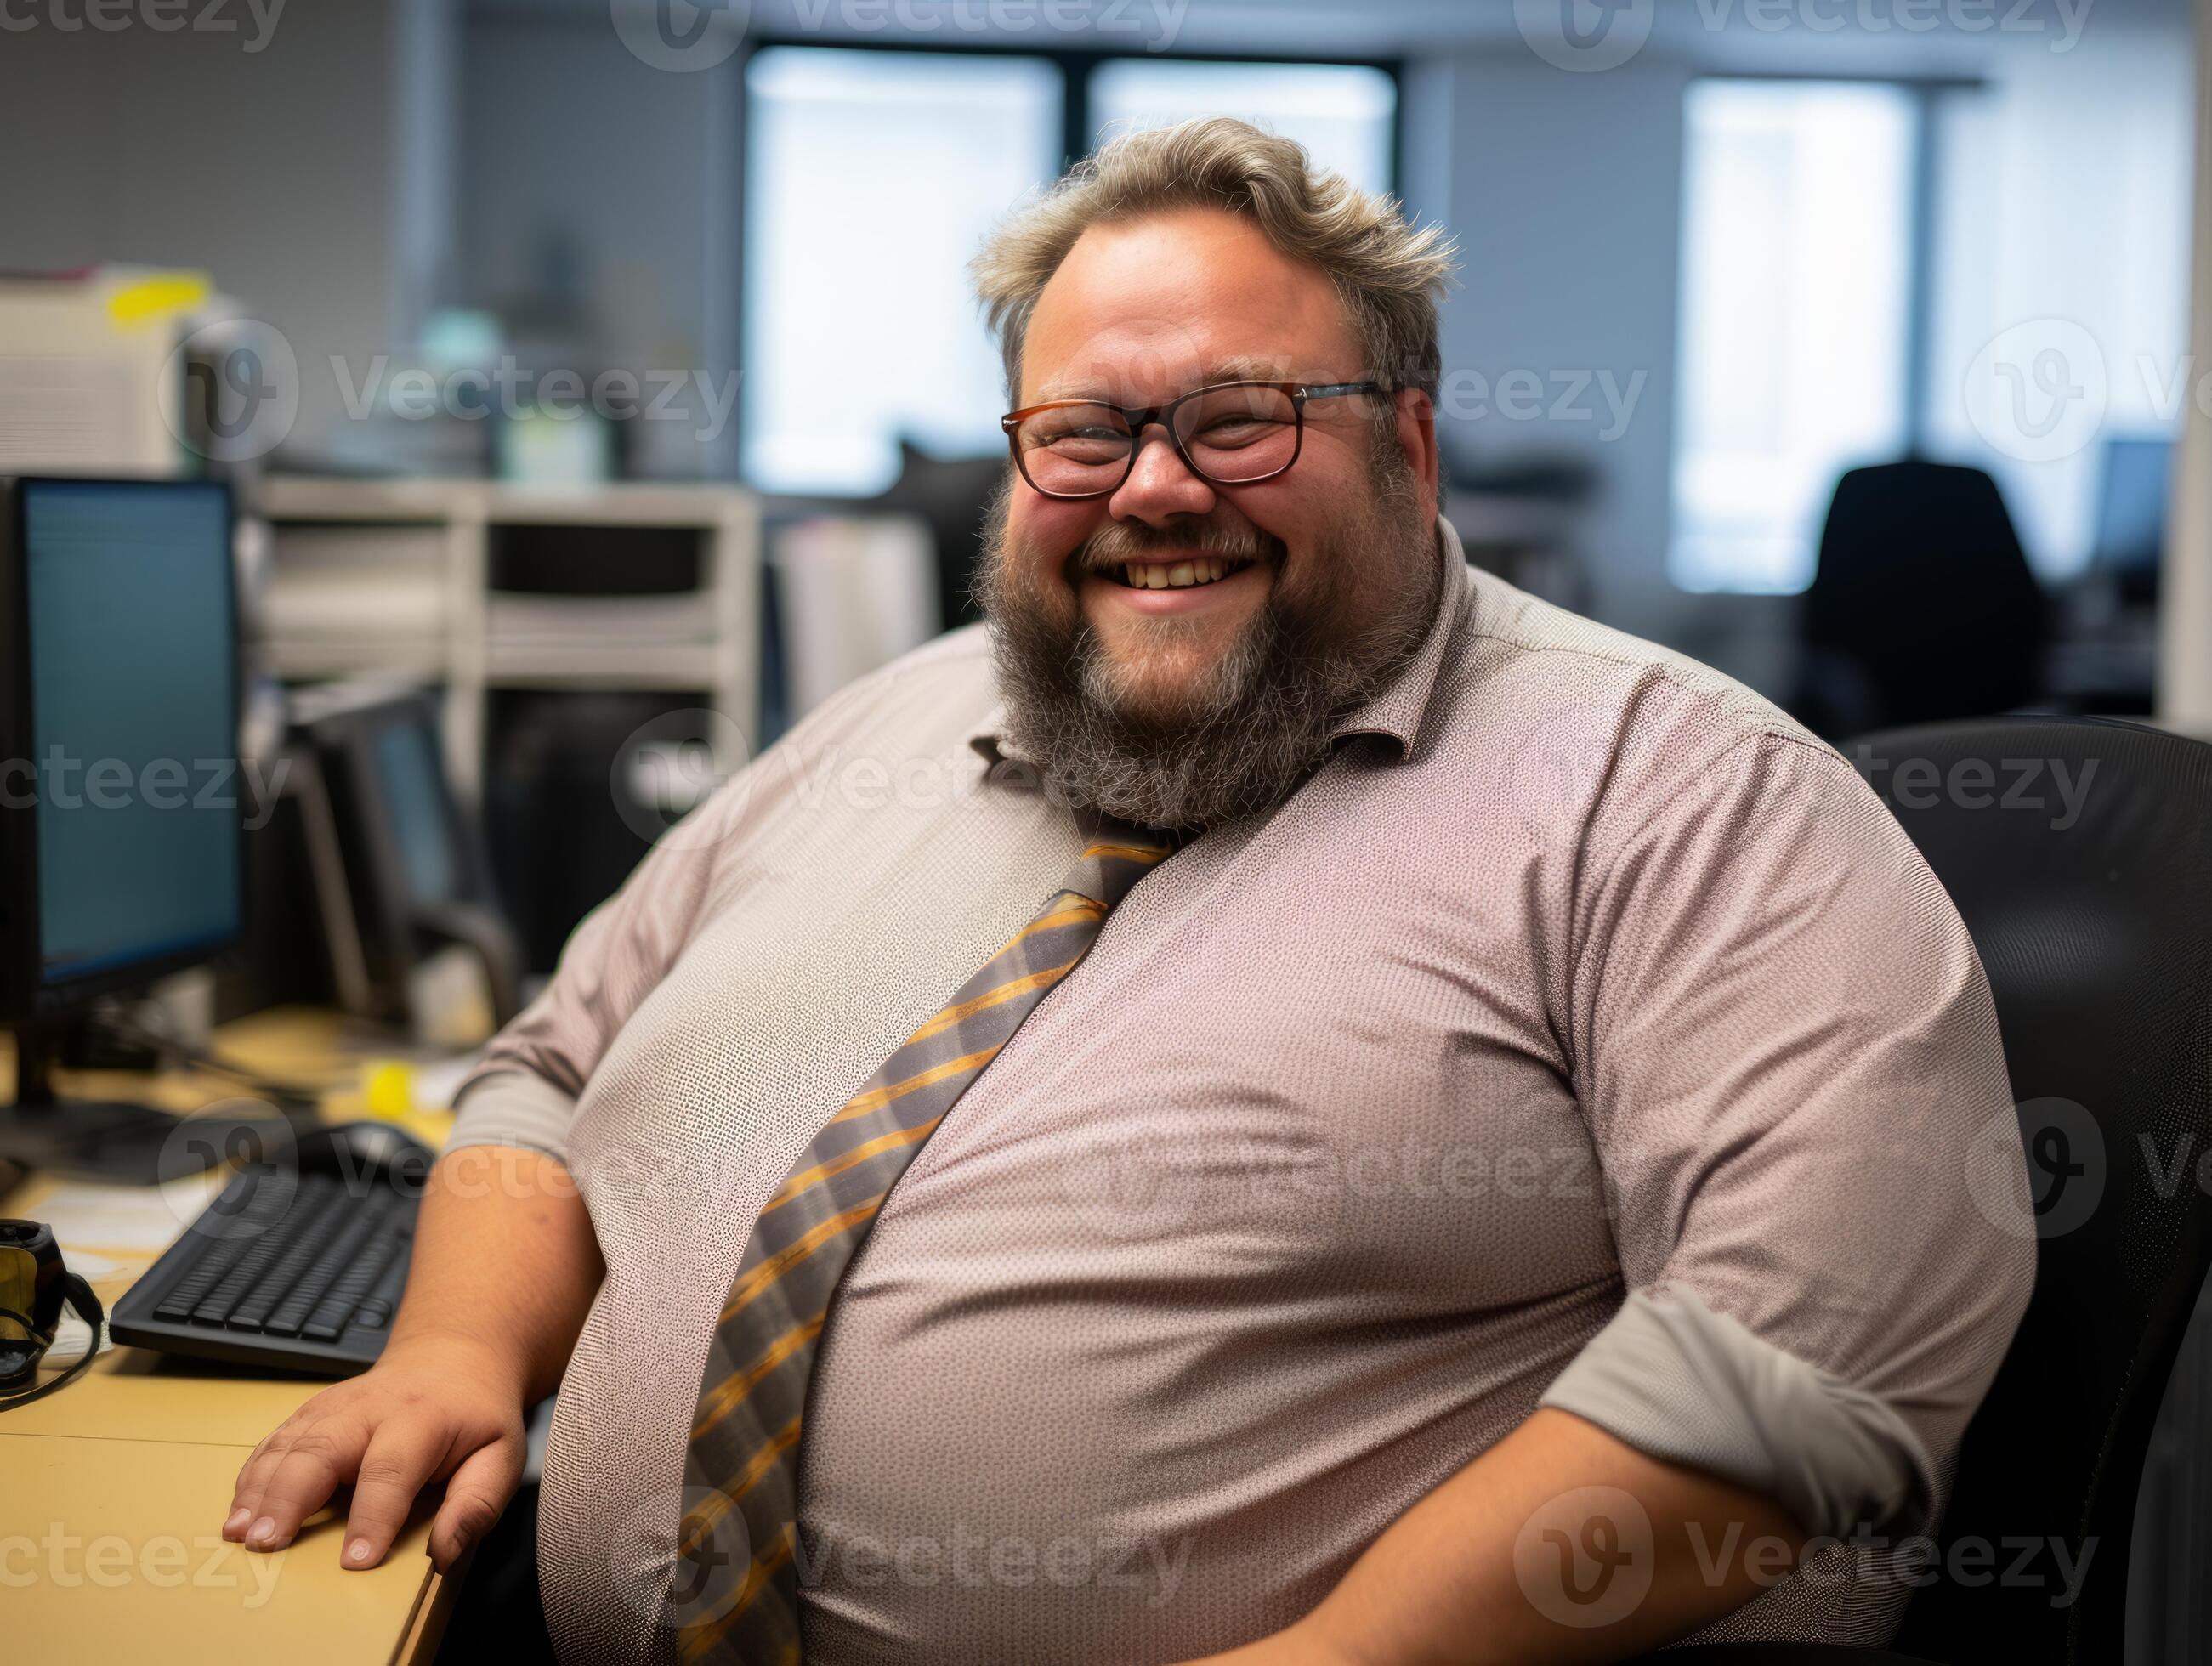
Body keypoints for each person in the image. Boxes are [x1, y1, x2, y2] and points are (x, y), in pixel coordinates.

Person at [221, 117, 2033, 1664]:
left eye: (1239, 420)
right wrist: (459, 1344)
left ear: (1406, 443)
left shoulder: (1676, 793)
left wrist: (1332, 1656)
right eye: (1083, 433)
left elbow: (1805, 1368)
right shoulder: (891, 722)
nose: (1153, 489)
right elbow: (546, 1067)